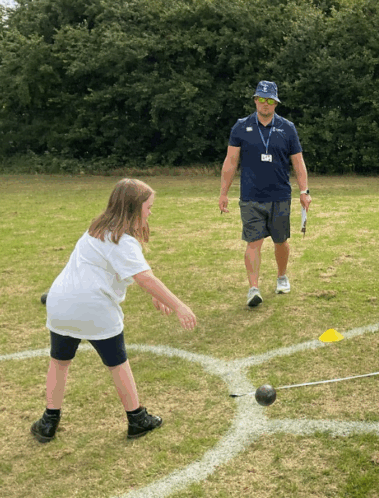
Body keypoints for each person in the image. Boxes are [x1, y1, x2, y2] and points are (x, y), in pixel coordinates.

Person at [31, 179, 197, 443]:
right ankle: (137, 419)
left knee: (59, 362)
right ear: (133, 208)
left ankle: (48, 422)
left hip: (61, 304)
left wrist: (156, 296)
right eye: (148, 207)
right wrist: (180, 306)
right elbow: (145, 278)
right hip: (94, 309)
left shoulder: (96, 229)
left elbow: (136, 269)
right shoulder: (123, 241)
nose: (150, 213)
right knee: (118, 364)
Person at [219, 80, 312, 307]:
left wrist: (304, 191)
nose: (265, 104)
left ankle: (282, 277)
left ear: (276, 103)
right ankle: (253, 289)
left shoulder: (287, 128)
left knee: (281, 241)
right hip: (251, 196)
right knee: (253, 242)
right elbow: (231, 161)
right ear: (255, 100)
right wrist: (223, 193)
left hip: (280, 195)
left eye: (270, 100)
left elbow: (298, 162)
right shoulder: (241, 127)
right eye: (261, 99)